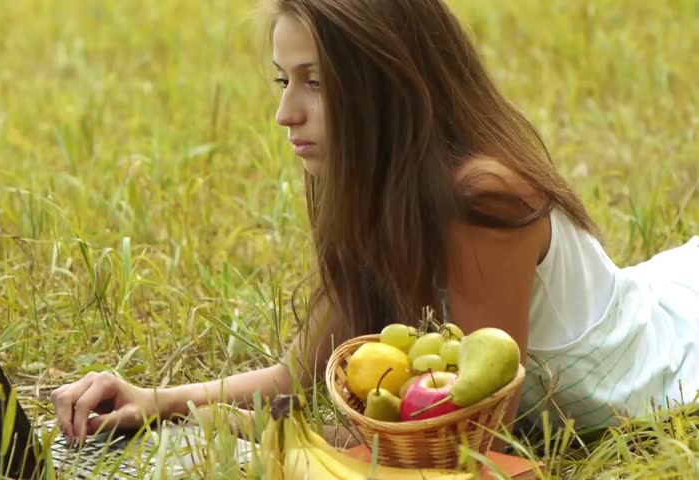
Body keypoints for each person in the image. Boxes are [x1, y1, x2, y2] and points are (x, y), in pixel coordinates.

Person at [51, 0, 698, 447]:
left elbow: (475, 439)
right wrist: (154, 400)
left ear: (387, 84)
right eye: (283, 80)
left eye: (314, 83)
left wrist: (257, 433)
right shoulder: (373, 188)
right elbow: (291, 379)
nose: (285, 112)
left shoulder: (483, 199)